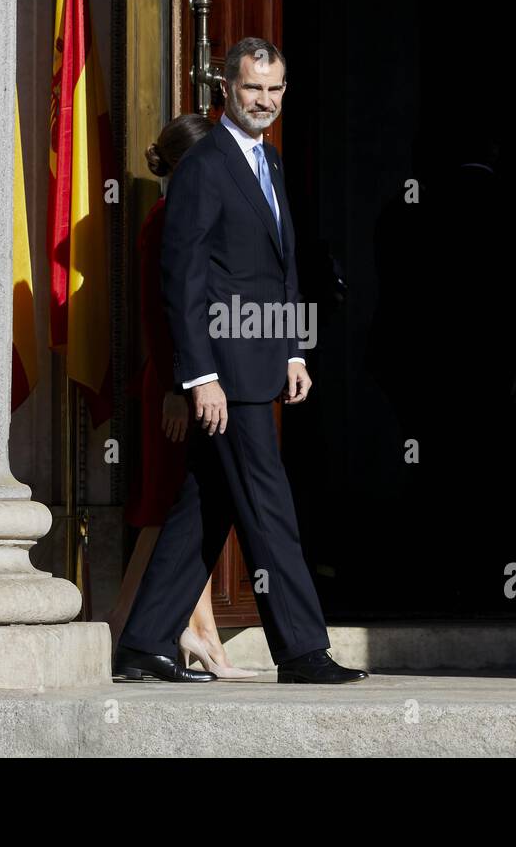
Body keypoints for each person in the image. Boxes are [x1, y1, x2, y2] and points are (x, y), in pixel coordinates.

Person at [113, 37, 368, 684]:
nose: (265, 100)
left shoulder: (269, 161)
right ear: (227, 88)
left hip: (262, 359)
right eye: (254, 88)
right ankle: (303, 651)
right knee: (268, 503)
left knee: (206, 505)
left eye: (275, 89)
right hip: (225, 372)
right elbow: (183, 278)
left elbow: (280, 267)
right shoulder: (204, 166)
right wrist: (198, 376)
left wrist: (294, 350)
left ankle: (143, 643)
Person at [108, 113, 256, 679]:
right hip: (178, 387)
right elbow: (159, 311)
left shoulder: (184, 213)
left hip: (192, 382)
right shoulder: (167, 217)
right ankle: (129, 628)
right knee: (169, 510)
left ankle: (188, 633)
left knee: (185, 511)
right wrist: (175, 387)